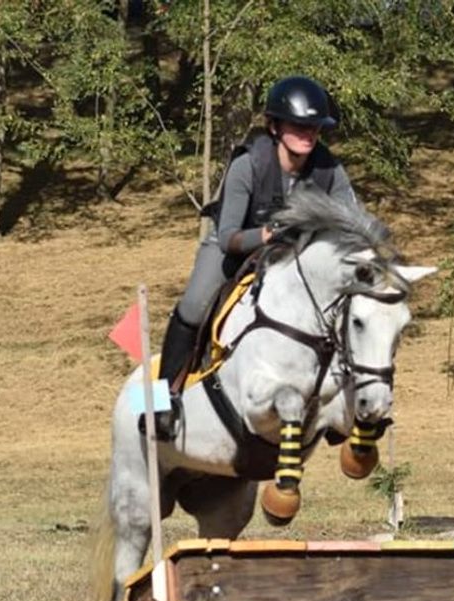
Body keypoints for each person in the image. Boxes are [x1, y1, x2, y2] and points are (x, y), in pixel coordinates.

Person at [153, 75, 357, 439]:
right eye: (299, 126)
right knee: (194, 305)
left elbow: (353, 221)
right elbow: (229, 237)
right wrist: (269, 233)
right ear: (275, 126)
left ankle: (343, 401)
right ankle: (161, 398)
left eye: (315, 127)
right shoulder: (249, 163)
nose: (309, 134)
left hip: (294, 256)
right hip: (234, 246)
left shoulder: (329, 169)